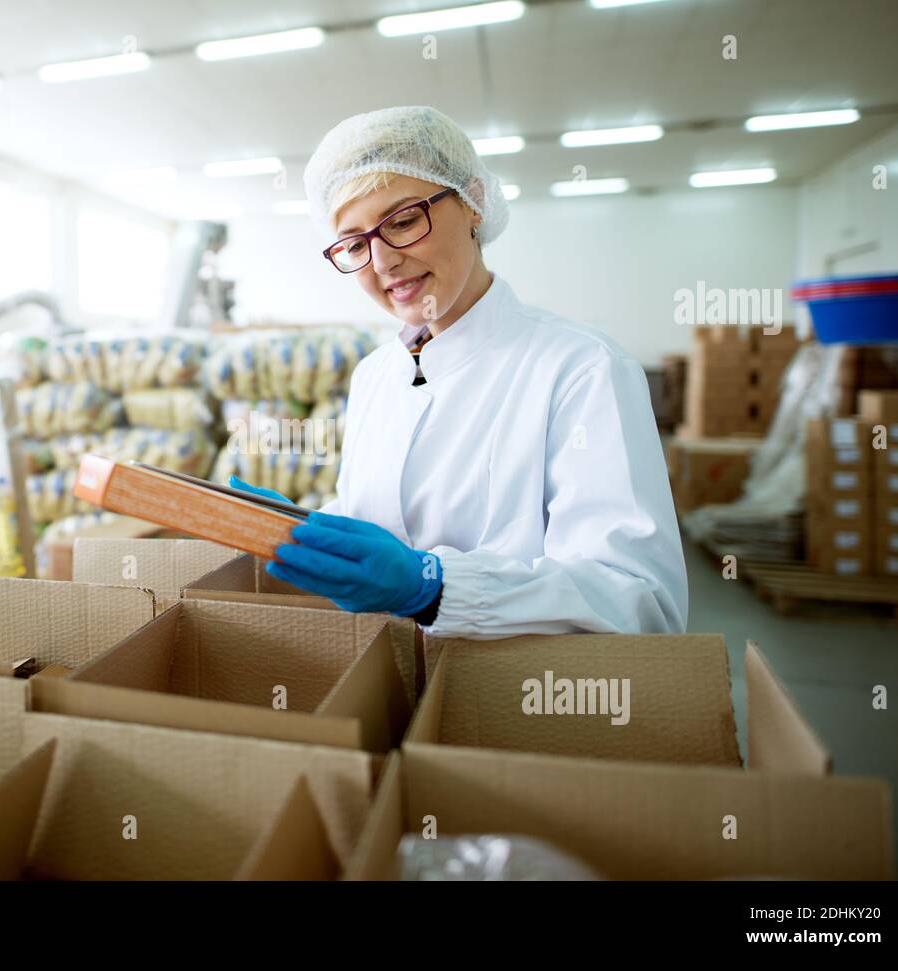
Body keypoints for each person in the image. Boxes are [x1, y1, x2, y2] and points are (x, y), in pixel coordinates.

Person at [231, 105, 687, 639]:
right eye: (355, 244)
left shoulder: (581, 369)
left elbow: (640, 602)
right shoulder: (375, 376)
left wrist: (437, 588)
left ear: (473, 202)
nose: (382, 263)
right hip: (389, 691)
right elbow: (387, 523)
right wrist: (312, 532)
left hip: (520, 703)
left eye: (402, 221)